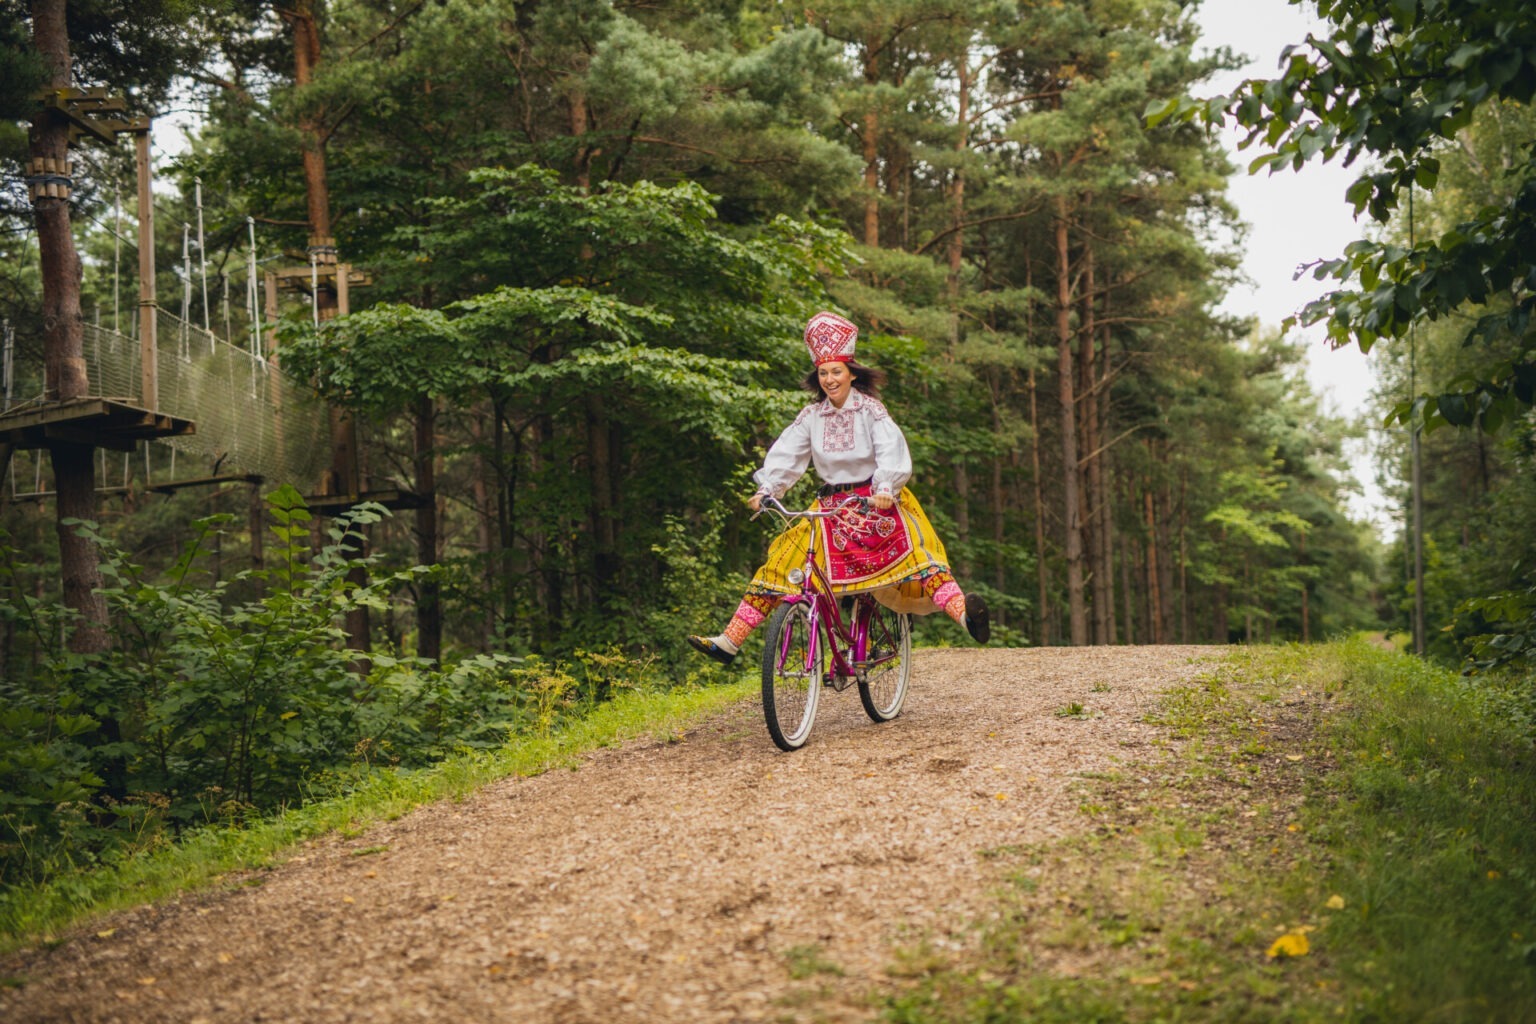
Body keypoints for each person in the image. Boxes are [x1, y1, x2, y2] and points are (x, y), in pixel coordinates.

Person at [687, 310, 990, 665]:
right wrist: (767, 489)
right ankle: (730, 641)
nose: (830, 379)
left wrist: (885, 487)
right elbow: (788, 453)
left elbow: (891, 449)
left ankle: (966, 618)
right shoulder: (811, 416)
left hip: (875, 501)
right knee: (782, 561)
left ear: (851, 374)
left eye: (836, 372)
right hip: (829, 507)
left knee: (918, 559)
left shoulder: (871, 411)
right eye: (823, 373)